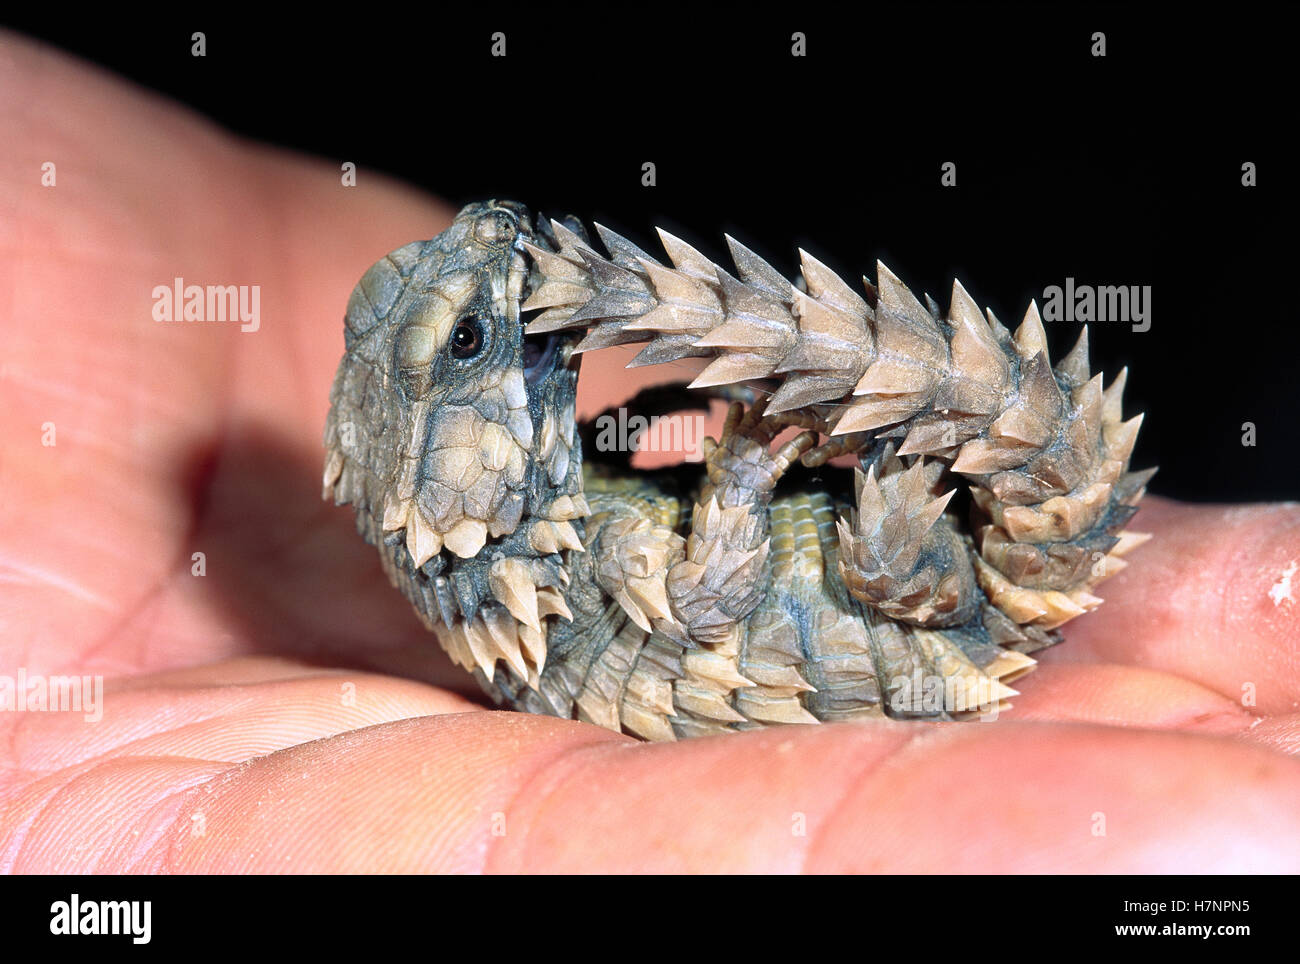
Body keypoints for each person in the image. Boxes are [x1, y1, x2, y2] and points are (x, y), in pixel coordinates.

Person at [1, 32, 1297, 873]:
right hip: (900, 629)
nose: (487, 253)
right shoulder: (571, 570)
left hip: (885, 583)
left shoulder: (549, 529)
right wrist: (738, 475)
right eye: (465, 349)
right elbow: (708, 599)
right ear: (473, 484)